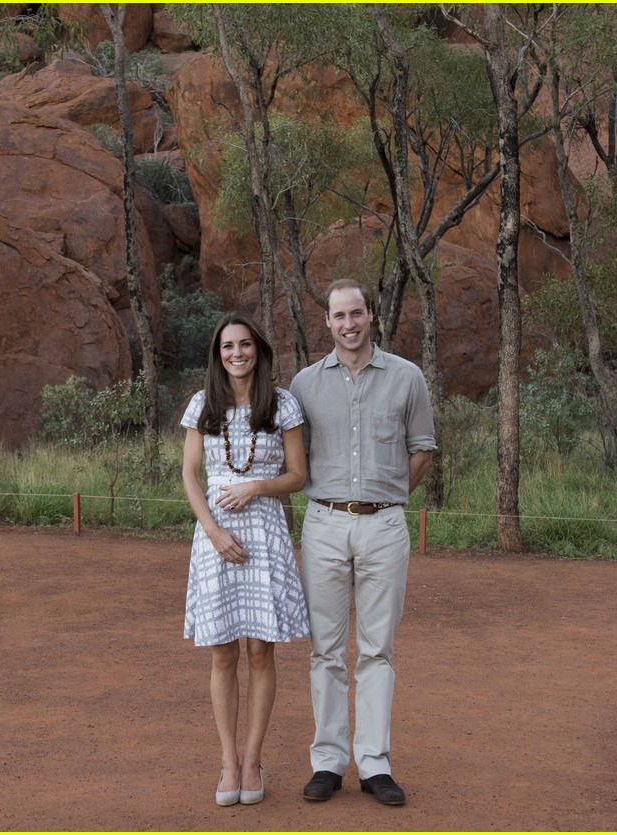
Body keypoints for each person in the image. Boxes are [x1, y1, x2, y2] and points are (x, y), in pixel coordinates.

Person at [289, 279, 436, 807]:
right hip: (323, 523)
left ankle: (374, 763)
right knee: (325, 649)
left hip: (384, 527)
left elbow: (422, 448)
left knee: (378, 649)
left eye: (356, 313)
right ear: (326, 322)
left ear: (372, 315)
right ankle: (327, 761)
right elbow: (292, 459)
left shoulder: (407, 378)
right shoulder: (304, 385)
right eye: (338, 316)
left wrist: (389, 497)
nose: (348, 324)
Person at [181, 311, 309, 807]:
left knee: (260, 651)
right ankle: (228, 761)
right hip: (215, 539)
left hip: (265, 534)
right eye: (228, 346)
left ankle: (254, 761)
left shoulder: (282, 405)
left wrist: (257, 486)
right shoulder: (201, 405)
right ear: (218, 354)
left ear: (259, 350)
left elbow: (298, 474)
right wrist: (212, 531)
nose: (237, 353)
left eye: (245, 345)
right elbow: (191, 477)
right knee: (222, 652)